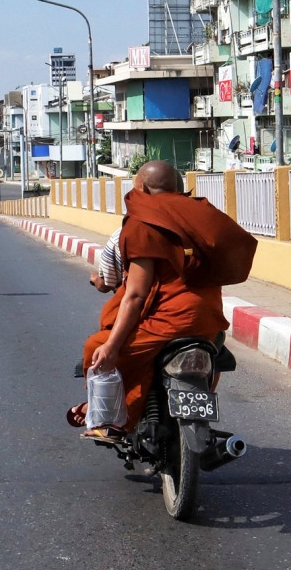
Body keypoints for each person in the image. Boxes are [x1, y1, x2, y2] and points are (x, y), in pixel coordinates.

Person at [75, 161, 231, 443]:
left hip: (170, 320)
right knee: (216, 355)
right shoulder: (202, 217)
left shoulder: (145, 224)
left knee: (97, 347)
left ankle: (111, 419)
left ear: (142, 188)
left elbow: (135, 295)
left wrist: (112, 346)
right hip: (209, 318)